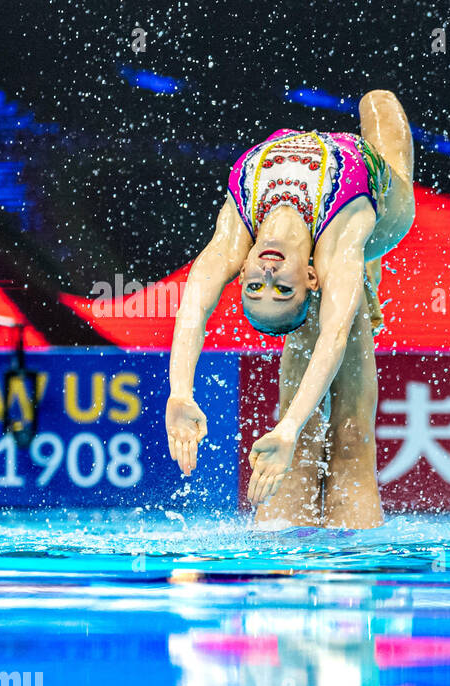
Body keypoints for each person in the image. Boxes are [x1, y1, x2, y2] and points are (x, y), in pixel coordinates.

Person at [165, 90, 415, 528]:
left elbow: (193, 308)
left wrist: (180, 392)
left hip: (320, 218)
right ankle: (325, 554)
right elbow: (333, 335)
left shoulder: (235, 234)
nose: (268, 273)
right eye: (282, 289)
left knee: (377, 99)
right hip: (372, 208)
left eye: (255, 286)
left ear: (242, 270)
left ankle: (364, 274)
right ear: (312, 278)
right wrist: (289, 428)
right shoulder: (337, 244)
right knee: (380, 104)